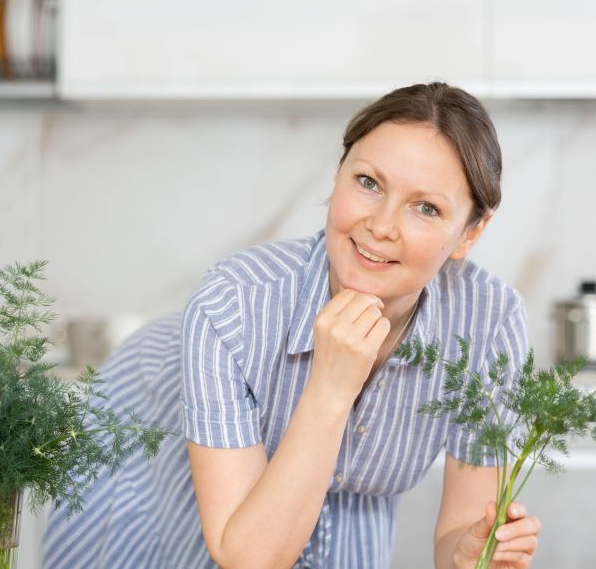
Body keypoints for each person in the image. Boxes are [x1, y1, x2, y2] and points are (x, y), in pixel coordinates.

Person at [42, 82, 541, 568]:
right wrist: (331, 386)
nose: (381, 226)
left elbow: (457, 534)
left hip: (340, 509)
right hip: (154, 430)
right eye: (368, 183)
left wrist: (466, 554)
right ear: (338, 174)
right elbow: (248, 557)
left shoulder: (488, 324)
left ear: (470, 233)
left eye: (425, 208)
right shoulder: (232, 302)